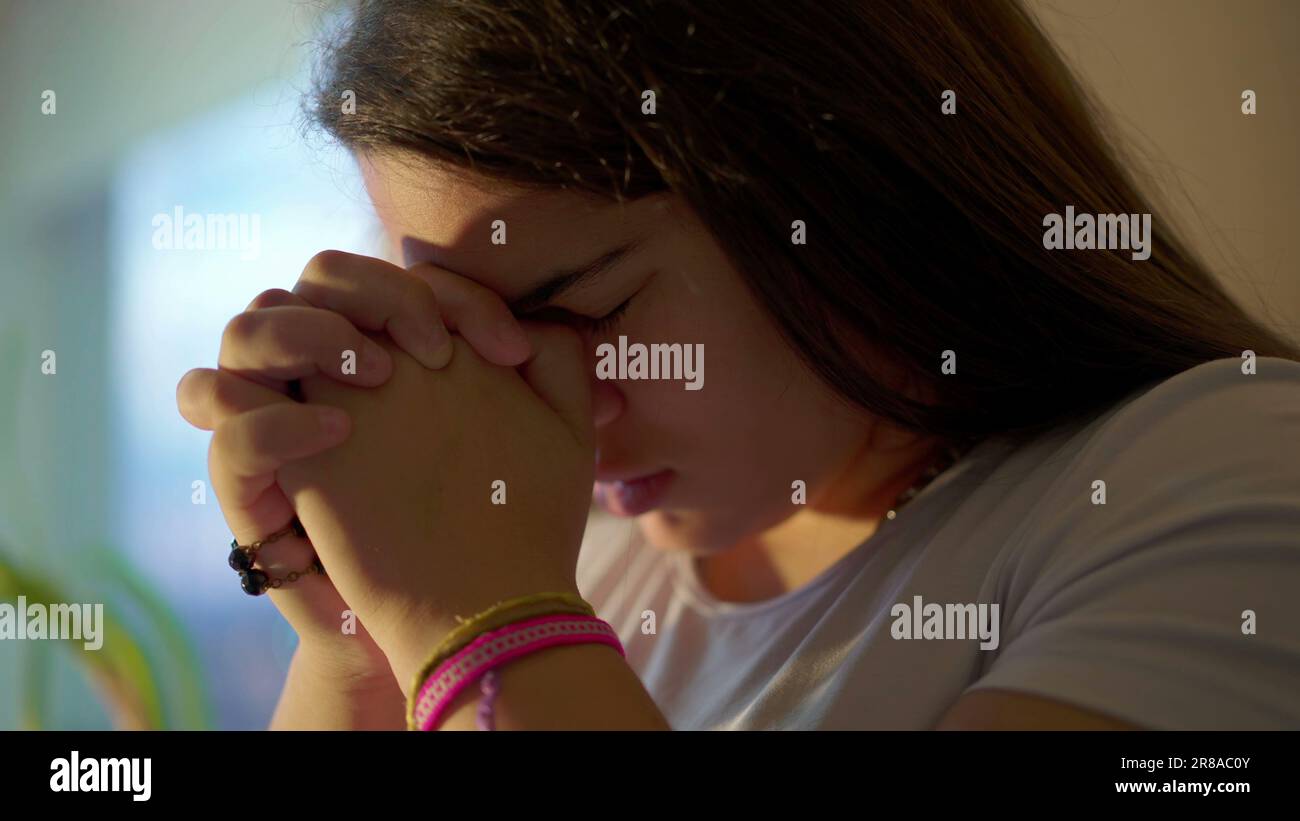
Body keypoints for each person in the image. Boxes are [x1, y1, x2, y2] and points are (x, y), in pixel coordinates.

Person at [175, 0, 1300, 729]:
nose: (531, 397)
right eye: (455, 326)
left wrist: (486, 623)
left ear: (849, 189)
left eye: (583, 306)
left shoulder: (1227, 472)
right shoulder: (591, 569)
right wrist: (359, 639)